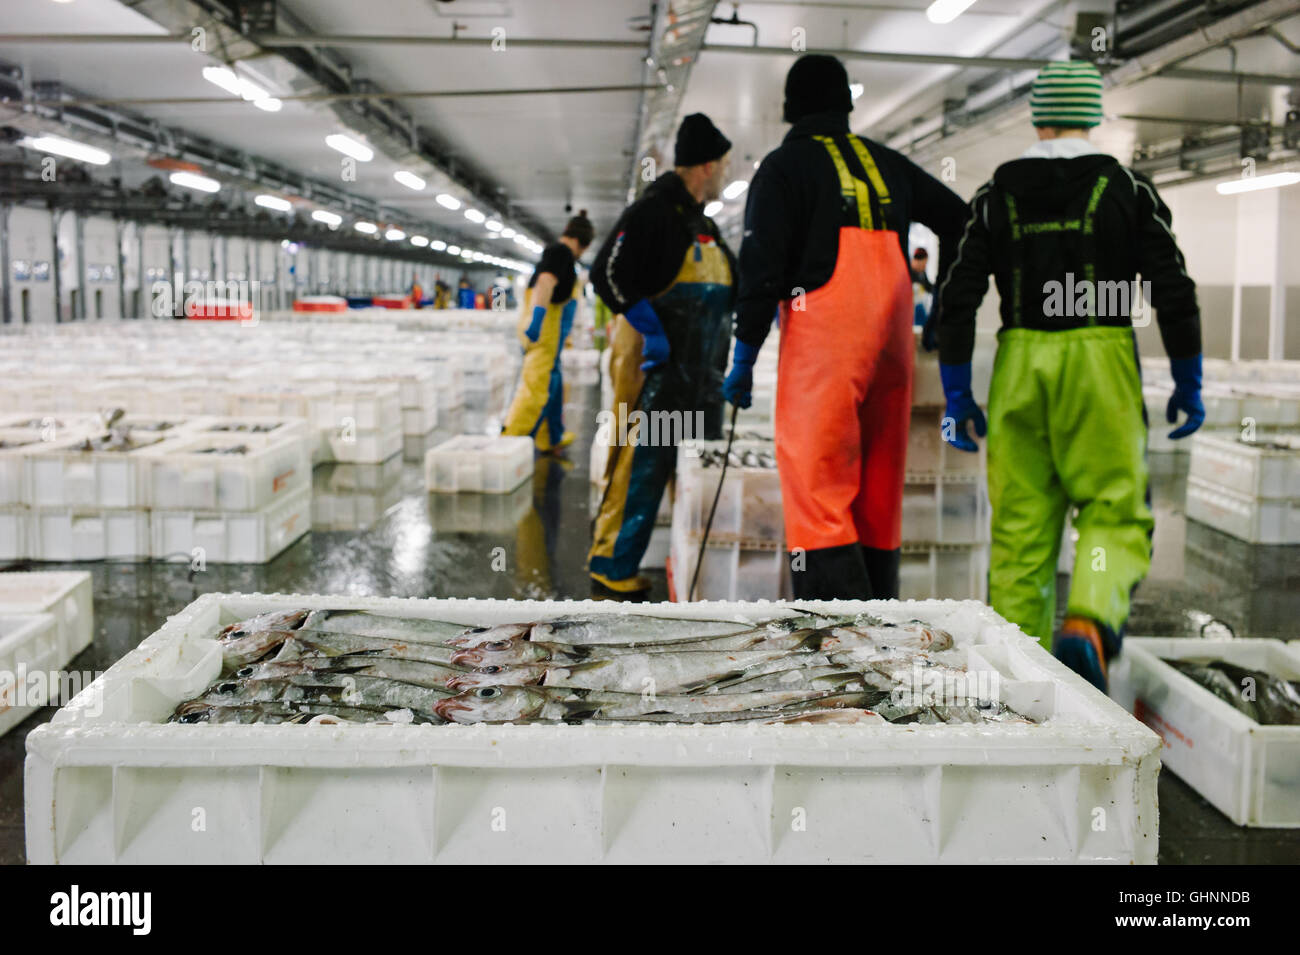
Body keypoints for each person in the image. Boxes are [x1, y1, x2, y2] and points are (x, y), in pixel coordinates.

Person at [935, 60, 1204, 691]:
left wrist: (955, 392)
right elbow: (1173, 287)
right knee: (1112, 508)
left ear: (1037, 116)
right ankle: (1087, 622)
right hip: (1099, 360)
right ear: (1092, 116)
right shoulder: (1126, 189)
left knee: (1021, 528)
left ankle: (1015, 679)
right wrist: (1189, 377)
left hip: (1020, 362)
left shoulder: (996, 192)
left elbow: (959, 295)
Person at [725, 54, 969, 601]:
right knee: (879, 496)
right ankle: (886, 628)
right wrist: (947, 312)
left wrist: (743, 356)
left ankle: (840, 647)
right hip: (892, 345)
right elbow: (964, 219)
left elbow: (760, 272)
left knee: (818, 493)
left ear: (790, 108)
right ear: (847, 104)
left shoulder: (784, 167)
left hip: (827, 347)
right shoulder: (889, 163)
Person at [587, 113, 736, 598]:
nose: (729, 172)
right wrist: (650, 331)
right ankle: (612, 560)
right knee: (641, 461)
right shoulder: (652, 211)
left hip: (701, 373)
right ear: (708, 166)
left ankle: (692, 568)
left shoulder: (705, 223)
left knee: (694, 469)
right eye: (727, 164)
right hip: (654, 362)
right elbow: (606, 274)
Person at [501, 210, 596, 453]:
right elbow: (545, 282)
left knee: (552, 384)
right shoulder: (561, 253)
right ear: (581, 243)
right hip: (542, 328)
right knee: (536, 387)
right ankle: (509, 441)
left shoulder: (559, 254)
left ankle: (551, 436)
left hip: (547, 330)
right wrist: (538, 321)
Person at [910, 248, 932, 326]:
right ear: (917, 261)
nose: (925, 266)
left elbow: (929, 287)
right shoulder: (908, 273)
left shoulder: (922, 273)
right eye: (924, 264)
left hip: (919, 309)